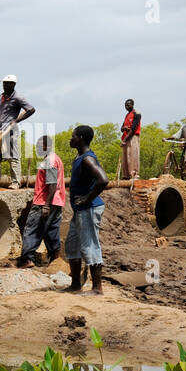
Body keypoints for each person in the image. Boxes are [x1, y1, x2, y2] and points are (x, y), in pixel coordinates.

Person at [65, 124, 109, 295]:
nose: (71, 139)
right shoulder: (80, 158)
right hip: (80, 211)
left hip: (89, 209)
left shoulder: (87, 159)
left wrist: (86, 198)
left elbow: (103, 180)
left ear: (81, 138)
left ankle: (97, 288)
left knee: (90, 245)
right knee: (72, 245)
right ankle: (76, 284)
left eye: (73, 136)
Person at [18, 134, 65, 267]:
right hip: (57, 201)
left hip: (44, 202)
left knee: (32, 229)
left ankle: (27, 259)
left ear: (47, 146)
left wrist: (46, 205)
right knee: (51, 231)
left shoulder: (49, 161)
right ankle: (55, 259)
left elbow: (51, 184)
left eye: (40, 146)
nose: (37, 148)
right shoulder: (56, 159)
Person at [119, 98, 141, 181]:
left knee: (133, 156)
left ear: (132, 104)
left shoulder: (137, 113)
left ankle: (134, 175)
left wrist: (124, 140)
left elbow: (133, 129)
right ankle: (126, 175)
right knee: (126, 157)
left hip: (133, 137)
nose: (126, 106)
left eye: (128, 105)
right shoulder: (127, 115)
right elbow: (121, 128)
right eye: (125, 105)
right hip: (125, 137)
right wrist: (124, 128)